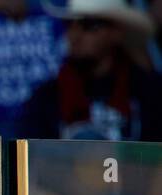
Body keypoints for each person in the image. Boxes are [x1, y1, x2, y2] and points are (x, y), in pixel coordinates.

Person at [21, 0, 162, 141]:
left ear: (116, 32)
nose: (75, 35)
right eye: (69, 25)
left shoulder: (150, 93)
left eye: (88, 25)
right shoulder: (46, 99)